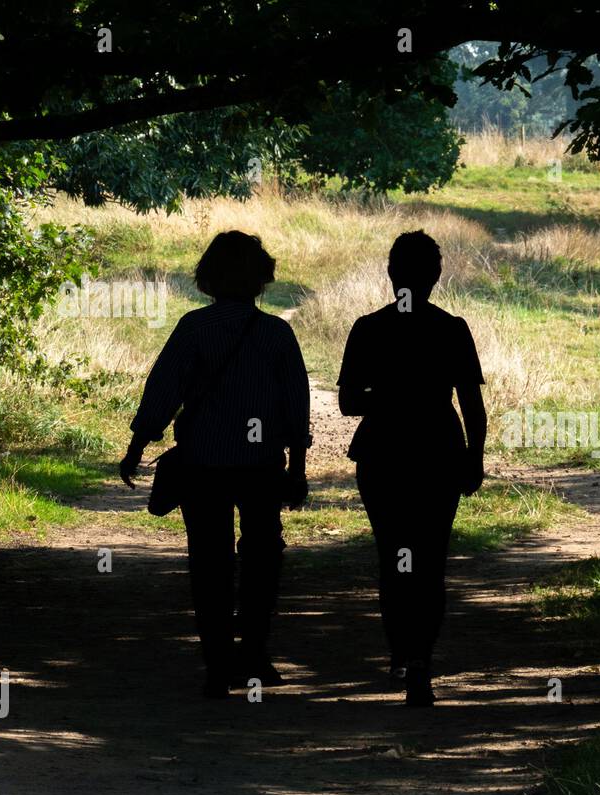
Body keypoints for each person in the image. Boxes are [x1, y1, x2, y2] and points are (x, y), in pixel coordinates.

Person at [119, 231, 310, 698]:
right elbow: (295, 406)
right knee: (263, 557)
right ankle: (255, 656)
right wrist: (297, 467)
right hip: (261, 466)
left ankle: (216, 664)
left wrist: (138, 444)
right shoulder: (276, 334)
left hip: (202, 464)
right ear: (261, 279)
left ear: (208, 278)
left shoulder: (193, 328)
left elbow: (163, 389)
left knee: (209, 561)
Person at [338, 230, 486, 706]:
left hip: (382, 453)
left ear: (390, 273)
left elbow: (345, 402)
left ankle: (401, 652)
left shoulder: (368, 328)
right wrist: (475, 458)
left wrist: (388, 397)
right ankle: (420, 658)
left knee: (394, 556)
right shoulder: (452, 328)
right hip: (439, 452)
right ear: (436, 277)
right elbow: (473, 406)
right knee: (430, 560)